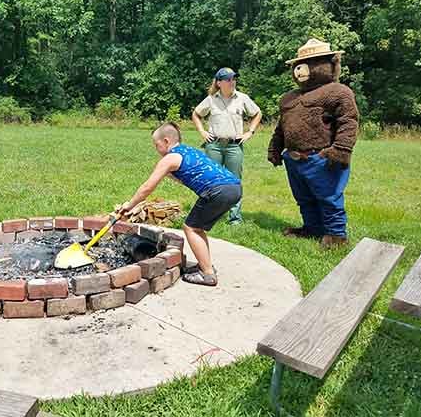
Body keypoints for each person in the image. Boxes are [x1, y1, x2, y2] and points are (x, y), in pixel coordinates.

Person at [118, 123, 242, 286]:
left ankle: (208, 274)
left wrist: (130, 204)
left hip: (218, 191)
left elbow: (147, 187)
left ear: (166, 141)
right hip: (234, 187)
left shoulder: (170, 158)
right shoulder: (188, 151)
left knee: (191, 228)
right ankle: (205, 265)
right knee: (197, 228)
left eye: (157, 145)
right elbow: (189, 175)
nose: (156, 149)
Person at [268, 38, 359, 248]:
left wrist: (341, 150)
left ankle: (336, 235)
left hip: (322, 157)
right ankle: (312, 228)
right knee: (304, 198)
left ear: (328, 64)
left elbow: (348, 122)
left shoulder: (337, 91)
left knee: (329, 198)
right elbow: (282, 127)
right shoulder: (289, 98)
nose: (301, 69)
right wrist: (275, 148)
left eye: (312, 62)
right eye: (299, 65)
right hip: (294, 158)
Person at [192, 67, 261, 225]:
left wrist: (250, 132)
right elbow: (196, 114)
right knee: (211, 180)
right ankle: (209, 215)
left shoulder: (242, 98)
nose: (232, 82)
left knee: (234, 181)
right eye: (228, 79)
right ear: (219, 82)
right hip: (214, 145)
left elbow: (257, 113)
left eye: (233, 79)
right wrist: (202, 131)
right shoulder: (211, 99)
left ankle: (235, 218)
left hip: (234, 146)